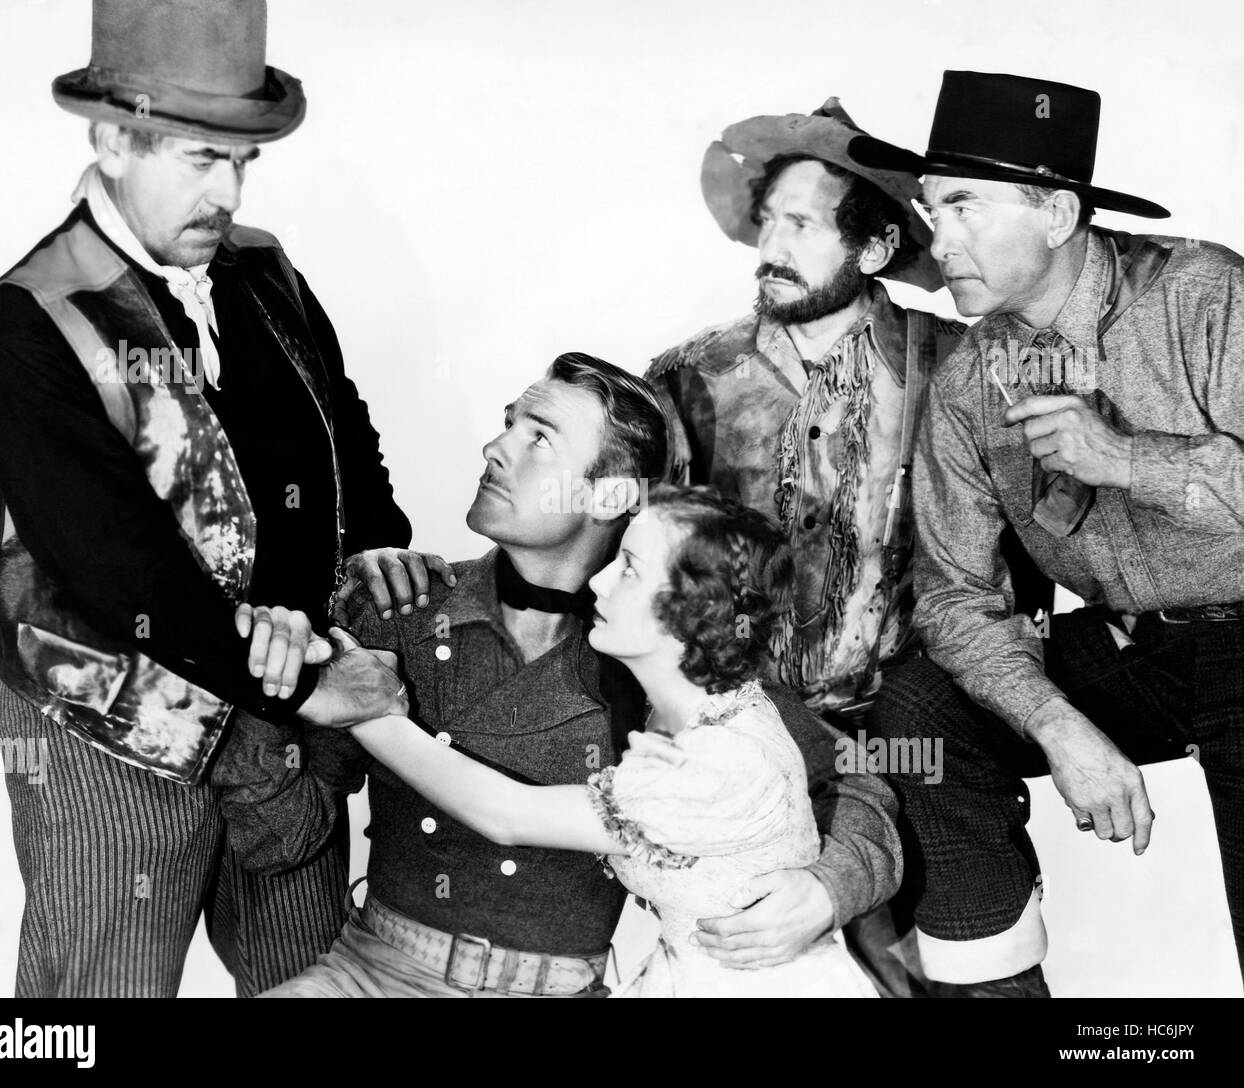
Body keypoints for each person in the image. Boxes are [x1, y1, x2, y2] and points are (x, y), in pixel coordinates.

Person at [0, 0, 409, 997]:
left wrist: (374, 540)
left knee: (317, 982)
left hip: (289, 729)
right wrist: (291, 681)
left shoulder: (259, 266)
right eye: (200, 158)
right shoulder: (30, 321)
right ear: (113, 137)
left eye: (242, 160)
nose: (227, 189)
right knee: (92, 1013)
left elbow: (338, 416)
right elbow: (116, 568)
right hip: (109, 739)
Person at [255, 352, 903, 997]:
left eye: (539, 437)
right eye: (509, 424)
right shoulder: (403, 608)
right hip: (372, 973)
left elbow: (852, 783)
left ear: (610, 493)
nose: (495, 448)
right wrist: (275, 678)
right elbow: (288, 838)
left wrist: (828, 888)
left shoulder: (658, 654)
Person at [850, 69, 1244, 996]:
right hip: (1134, 652)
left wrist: (1127, 460)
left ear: (1059, 213)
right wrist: (1056, 722)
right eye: (927, 208)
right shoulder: (966, 383)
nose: (933, 237)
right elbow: (952, 595)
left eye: (961, 207)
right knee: (918, 714)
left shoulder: (1205, 296)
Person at [643, 97, 1046, 996]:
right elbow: (631, 559)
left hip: (929, 737)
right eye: (768, 222)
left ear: (872, 250)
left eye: (802, 225)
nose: (770, 248)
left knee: (981, 974)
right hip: (761, 750)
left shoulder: (957, 367)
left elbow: (1032, 547)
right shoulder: (691, 380)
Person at [345, 485, 879, 997]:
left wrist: (364, 711)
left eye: (629, 570)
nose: (598, 583)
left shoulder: (721, 761)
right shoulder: (709, 706)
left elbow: (508, 814)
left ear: (696, 614)